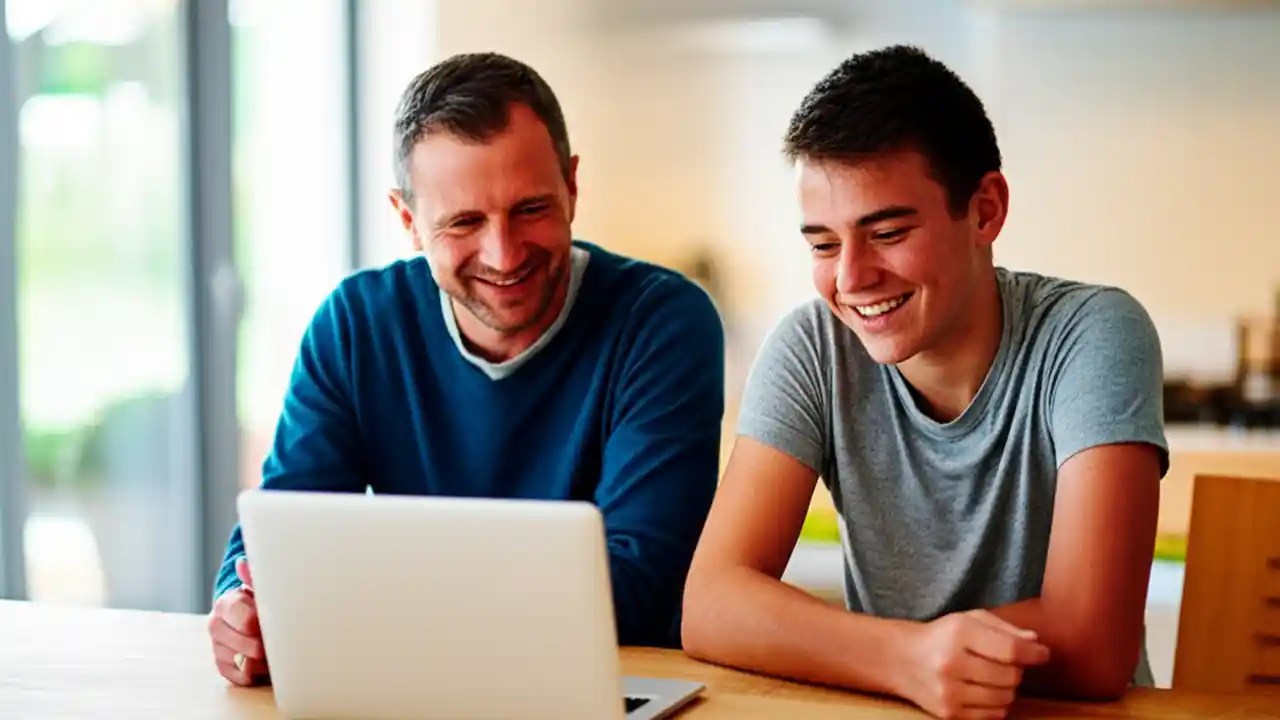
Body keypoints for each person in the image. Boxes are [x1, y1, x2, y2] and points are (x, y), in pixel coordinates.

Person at [207, 52, 724, 687]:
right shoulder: (355, 325)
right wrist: (245, 602)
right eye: (465, 222)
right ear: (409, 222)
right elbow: (279, 534)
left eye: (531, 208)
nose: (504, 254)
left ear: (572, 186)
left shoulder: (661, 321)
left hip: (598, 687)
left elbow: (642, 584)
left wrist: (359, 601)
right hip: (411, 685)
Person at [681, 45, 1166, 719]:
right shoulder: (814, 347)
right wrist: (905, 660)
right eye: (823, 244)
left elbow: (1092, 643)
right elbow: (710, 603)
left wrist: (883, 654)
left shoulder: (1093, 334)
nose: (850, 279)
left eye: (886, 232)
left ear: (986, 211)